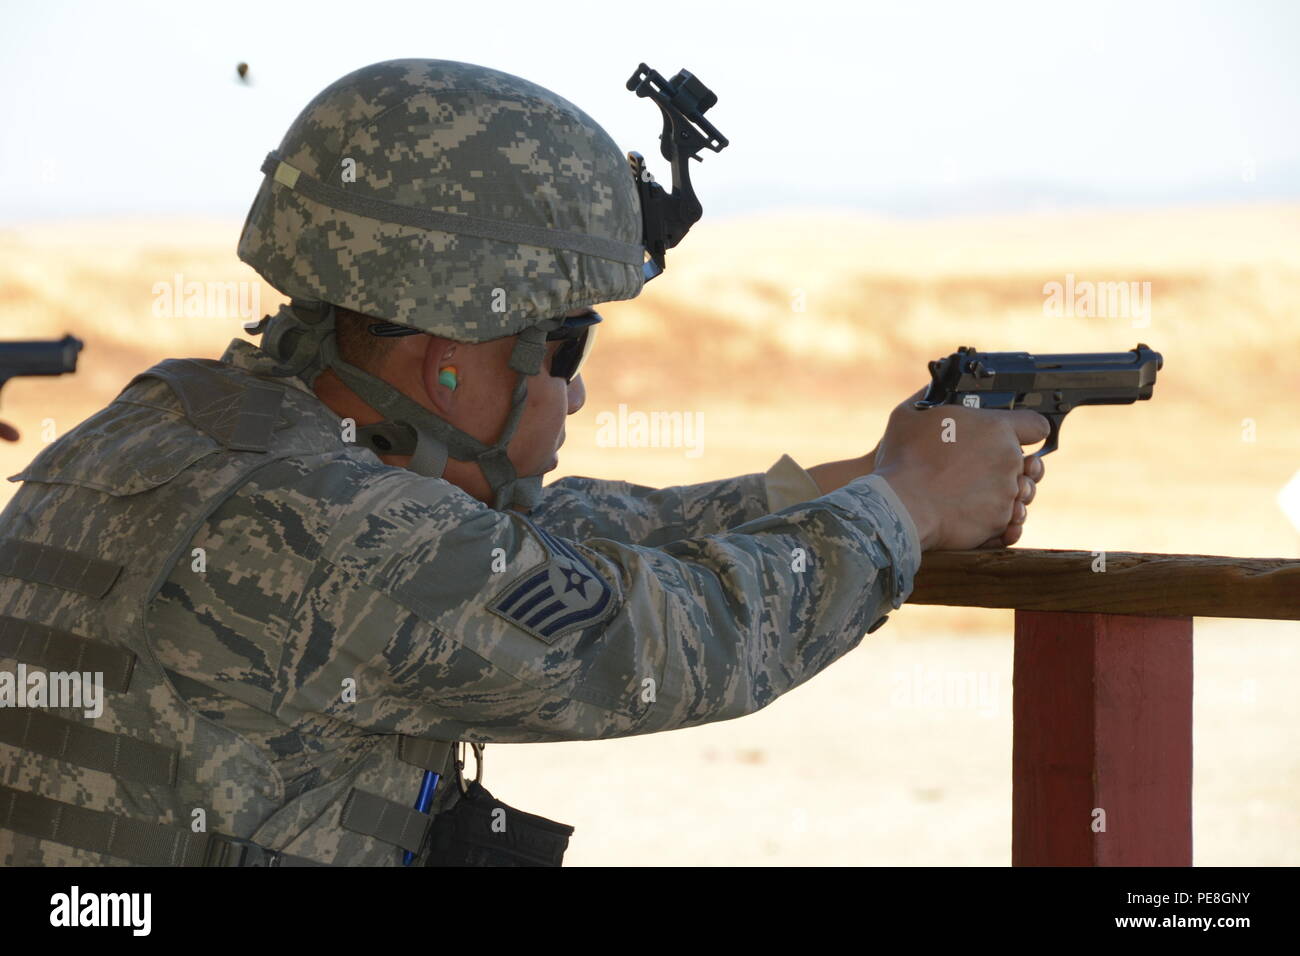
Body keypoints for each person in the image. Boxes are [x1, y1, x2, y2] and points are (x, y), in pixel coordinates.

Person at [0, 58, 1046, 867]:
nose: (576, 390)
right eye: (561, 348)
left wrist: (836, 482)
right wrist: (899, 510)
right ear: (448, 360)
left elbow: (536, 542)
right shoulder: (347, 535)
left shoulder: (170, 428)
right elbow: (682, 639)